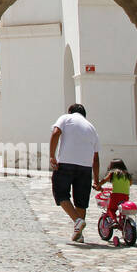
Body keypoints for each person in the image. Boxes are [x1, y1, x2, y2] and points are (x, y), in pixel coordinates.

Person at [48, 103, 101, 243]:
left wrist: (52, 155)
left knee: (60, 194)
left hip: (66, 163)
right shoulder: (91, 128)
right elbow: (95, 158)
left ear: (70, 111)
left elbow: (55, 133)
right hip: (85, 167)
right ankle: (79, 233)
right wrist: (96, 180)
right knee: (81, 201)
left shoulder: (66, 118)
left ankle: (77, 220)